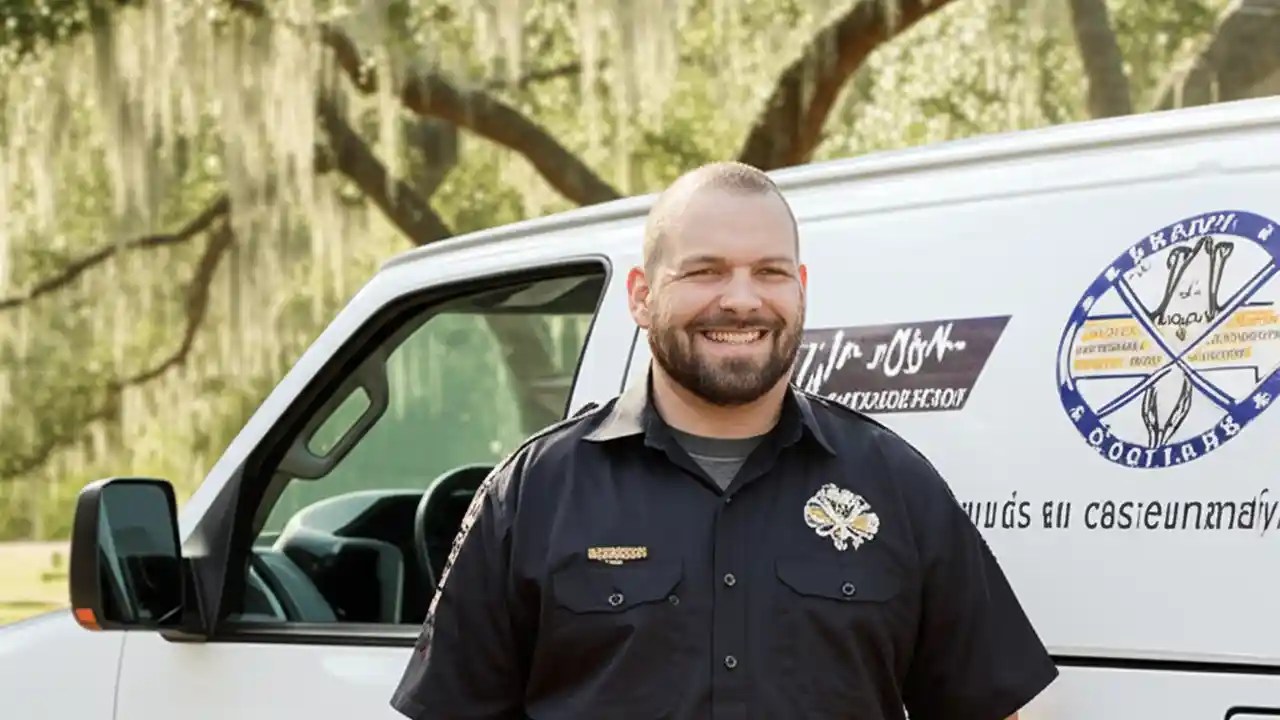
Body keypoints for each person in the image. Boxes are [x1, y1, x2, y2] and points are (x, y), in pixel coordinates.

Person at [389, 161, 1058, 720]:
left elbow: (988, 707)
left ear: (799, 290)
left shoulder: (897, 485)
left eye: (769, 272)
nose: (741, 300)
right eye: (705, 271)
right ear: (643, 296)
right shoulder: (534, 493)